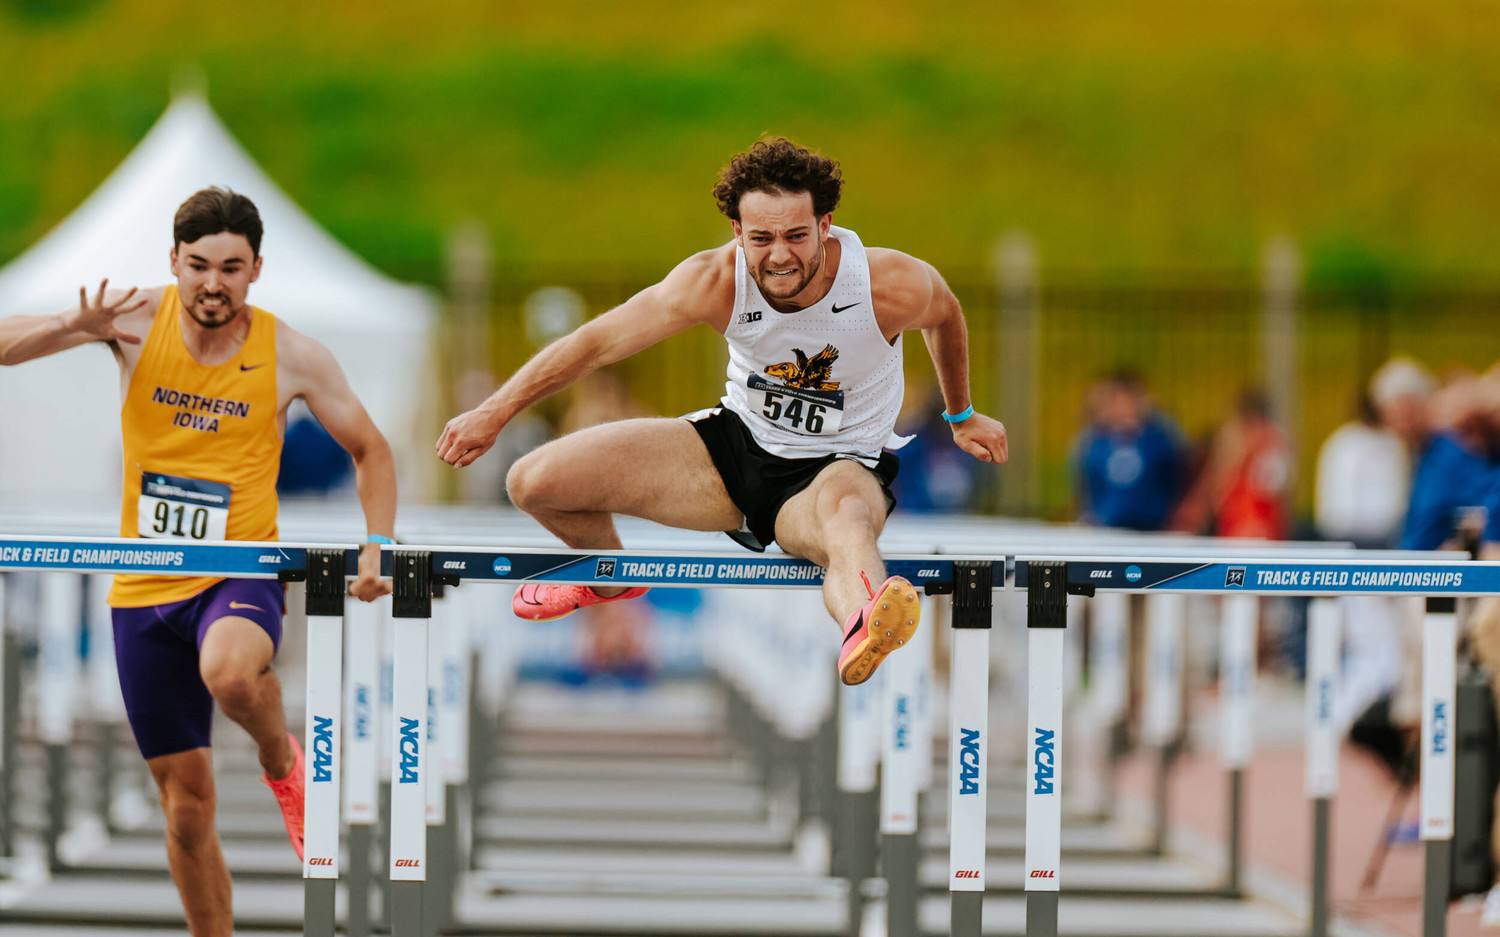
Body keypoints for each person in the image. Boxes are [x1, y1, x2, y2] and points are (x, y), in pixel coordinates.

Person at [437, 138, 1006, 686]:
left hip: (835, 470)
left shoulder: (884, 283)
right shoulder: (714, 280)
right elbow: (595, 343)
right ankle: (608, 577)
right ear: (737, 232)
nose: (779, 256)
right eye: (761, 238)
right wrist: (494, 412)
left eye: (796, 236)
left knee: (847, 521)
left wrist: (961, 415)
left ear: (825, 226)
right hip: (733, 452)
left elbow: (946, 315)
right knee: (533, 482)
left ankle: (864, 621)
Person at [0, 187, 396, 937]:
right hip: (144, 590)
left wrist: (377, 542)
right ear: (175, 263)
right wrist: (70, 326)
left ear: (256, 271)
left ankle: (283, 763)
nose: (214, 284)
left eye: (232, 269)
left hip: (236, 571)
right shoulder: (132, 319)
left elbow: (371, 448)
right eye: (200, 266)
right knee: (186, 809)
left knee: (232, 673)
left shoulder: (291, 353)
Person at [1070, 371, 1187, 531]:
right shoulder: (1095, 442)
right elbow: (1086, 484)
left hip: (1154, 526)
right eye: (1117, 400)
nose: (1123, 407)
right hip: (1107, 525)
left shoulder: (1159, 438)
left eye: (1128, 400)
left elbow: (1175, 475)